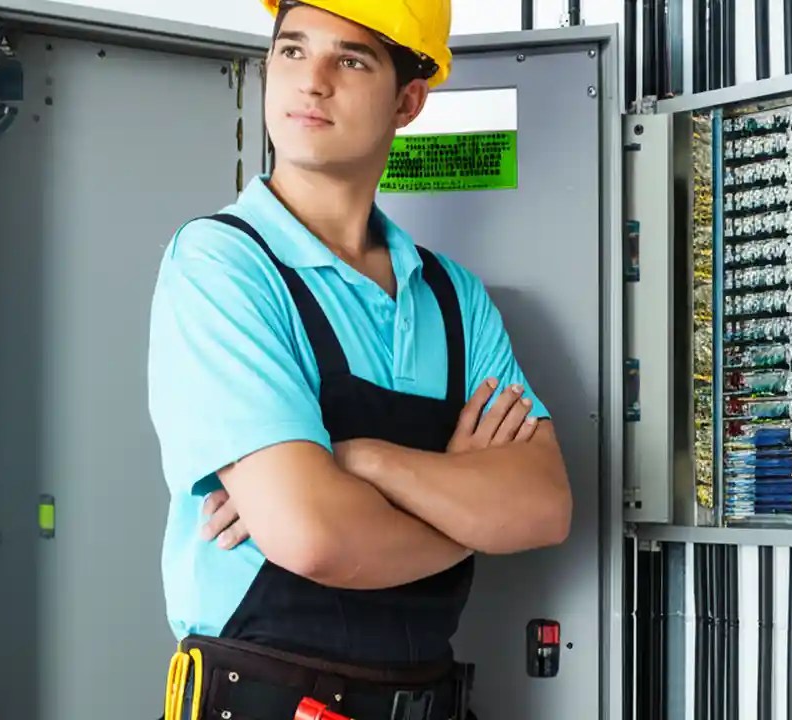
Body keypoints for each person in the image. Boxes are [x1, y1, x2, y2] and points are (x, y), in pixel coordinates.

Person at [146, 1, 572, 718]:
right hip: (264, 698)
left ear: (408, 100)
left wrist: (365, 460)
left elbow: (542, 508)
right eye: (290, 51)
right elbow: (314, 537)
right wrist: (468, 521)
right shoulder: (223, 264)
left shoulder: (452, 296)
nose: (310, 82)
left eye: (349, 59)